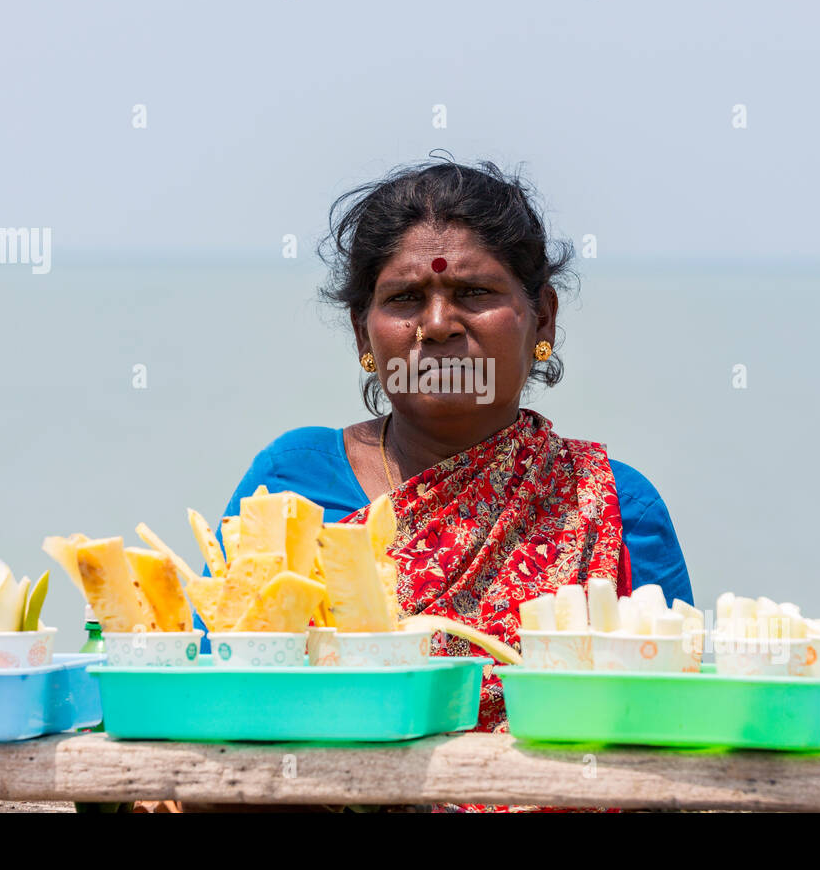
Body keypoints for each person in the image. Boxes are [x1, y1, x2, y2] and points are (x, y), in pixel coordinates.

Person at [202, 156, 692, 742]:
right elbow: (213, 686)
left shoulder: (613, 505)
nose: (437, 324)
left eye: (474, 292)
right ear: (364, 332)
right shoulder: (290, 488)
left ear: (544, 321)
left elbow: (674, 723)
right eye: (405, 298)